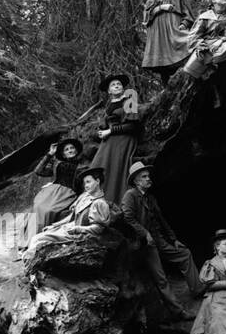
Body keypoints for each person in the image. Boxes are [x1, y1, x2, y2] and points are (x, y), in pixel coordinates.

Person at [120, 161, 203, 318]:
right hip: (144, 245)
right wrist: (145, 233)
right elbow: (128, 218)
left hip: (158, 239)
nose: (148, 179)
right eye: (144, 177)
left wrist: (173, 239)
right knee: (161, 278)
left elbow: (161, 219)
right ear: (136, 181)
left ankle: (198, 289)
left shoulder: (150, 197)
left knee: (184, 253)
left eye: (148, 176)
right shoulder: (130, 196)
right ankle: (178, 312)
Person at [24, 166, 112, 258]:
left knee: (38, 240)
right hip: (71, 228)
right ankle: (31, 265)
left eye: (88, 182)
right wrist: (55, 225)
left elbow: (98, 229)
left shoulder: (100, 203)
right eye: (84, 183)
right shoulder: (84, 196)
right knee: (37, 237)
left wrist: (78, 229)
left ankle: (32, 266)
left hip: (81, 236)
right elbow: (72, 217)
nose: (86, 186)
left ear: (97, 181)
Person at [89, 73, 145, 204]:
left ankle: (117, 202)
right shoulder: (108, 107)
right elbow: (105, 124)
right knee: (98, 167)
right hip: (109, 142)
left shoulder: (129, 101)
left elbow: (132, 126)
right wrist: (102, 131)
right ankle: (99, 202)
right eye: (113, 85)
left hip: (124, 140)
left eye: (119, 84)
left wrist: (110, 131)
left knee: (117, 170)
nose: (116, 86)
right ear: (109, 91)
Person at [141, 0, 192, 82]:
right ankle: (166, 91)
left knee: (191, 43)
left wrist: (184, 25)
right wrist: (162, 8)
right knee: (164, 67)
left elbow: (188, 13)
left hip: (175, 30)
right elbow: (147, 14)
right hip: (160, 34)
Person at [30, 137, 83, 232]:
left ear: (76, 150)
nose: (70, 151)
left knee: (48, 210)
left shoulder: (82, 166)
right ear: (63, 154)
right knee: (38, 206)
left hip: (68, 195)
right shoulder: (57, 165)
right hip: (53, 192)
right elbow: (38, 171)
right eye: (67, 150)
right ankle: (30, 237)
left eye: (72, 148)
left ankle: (41, 234)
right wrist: (50, 154)